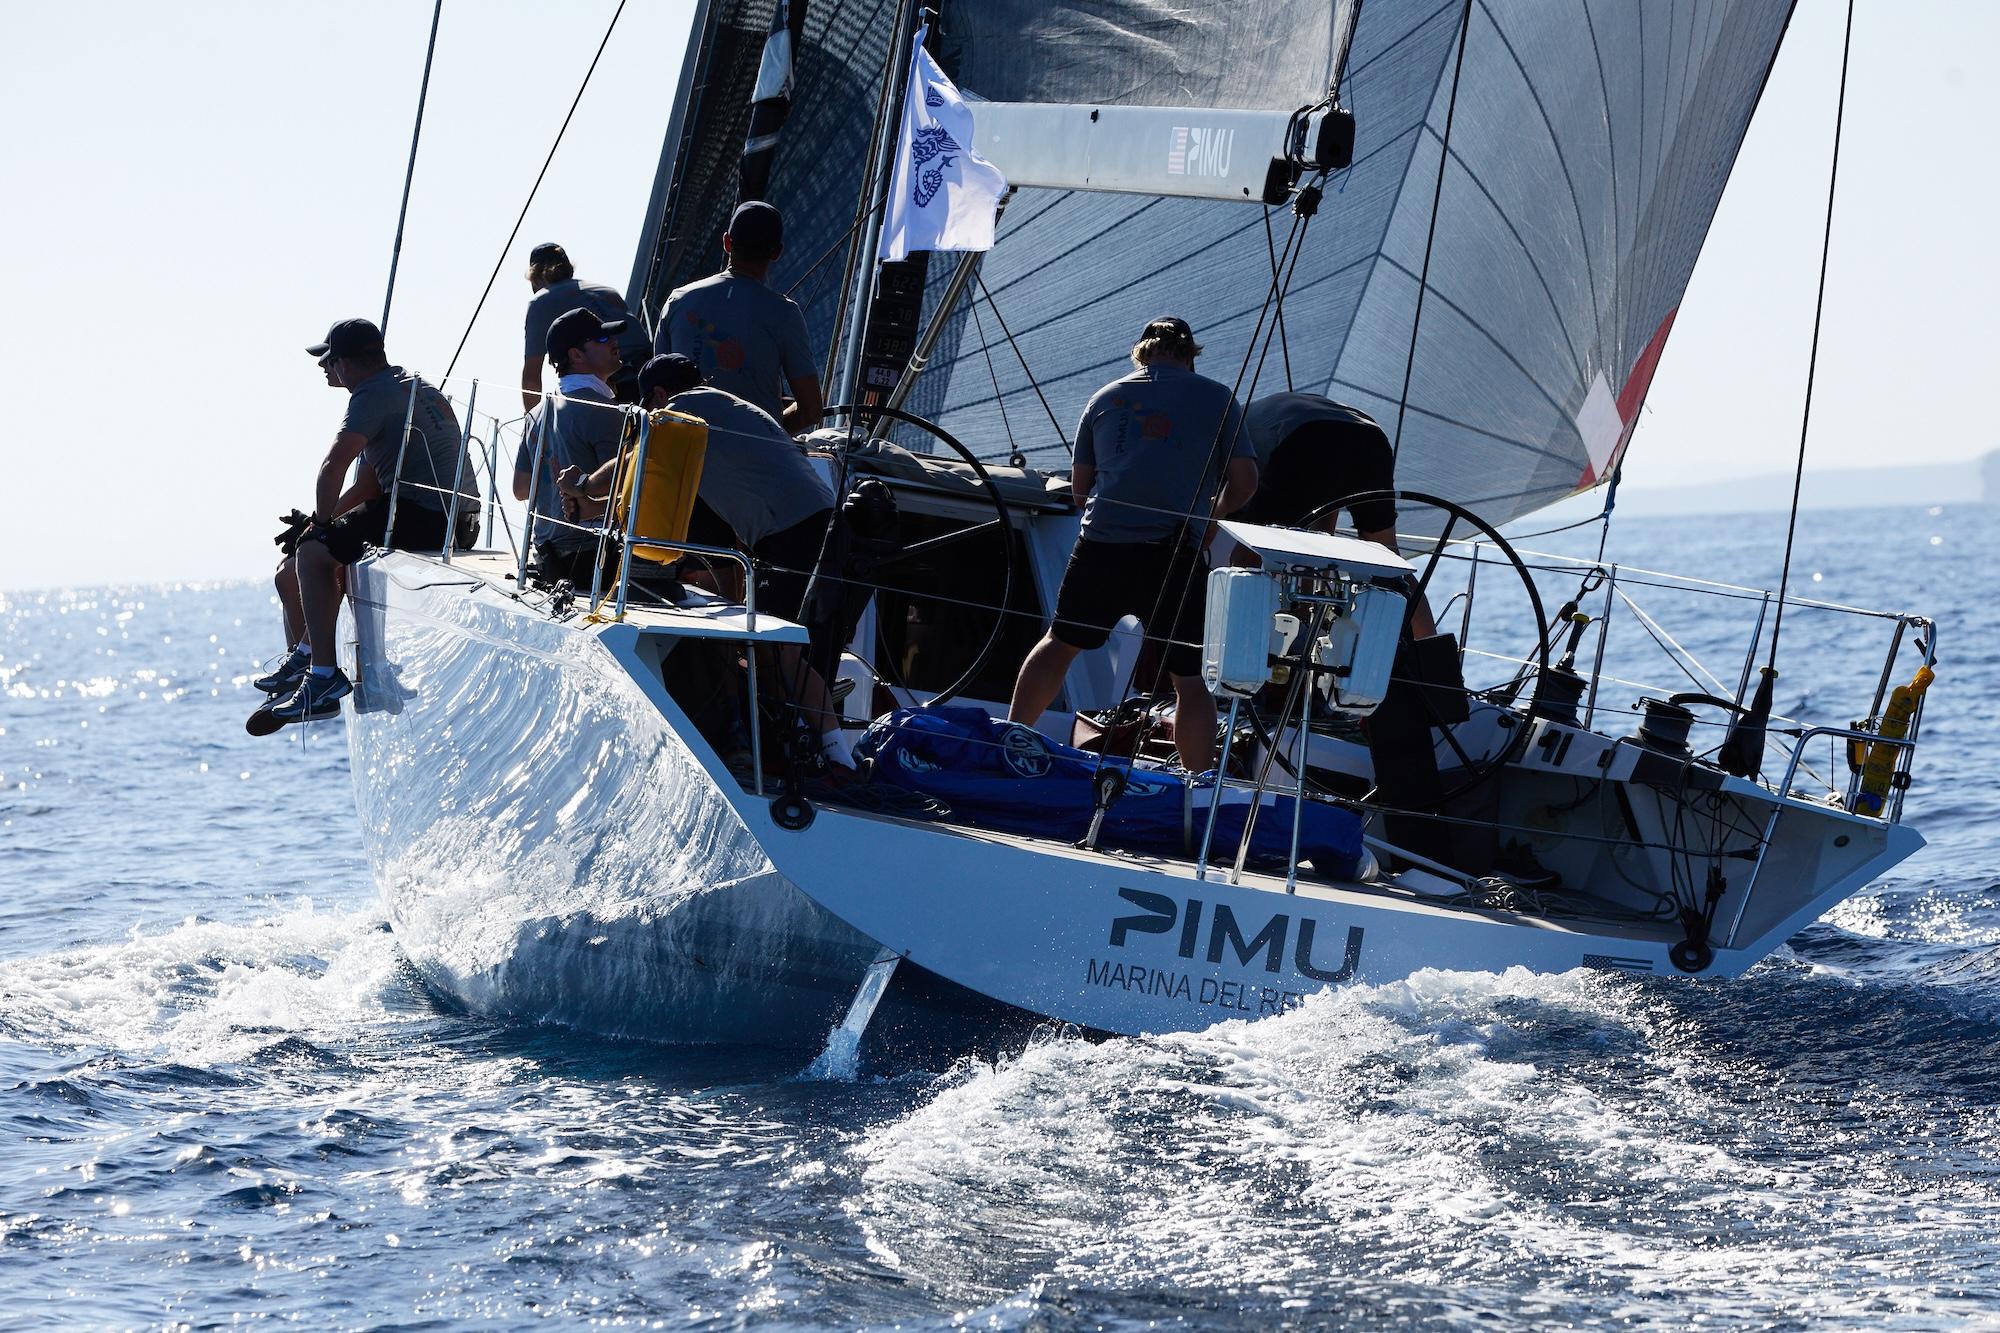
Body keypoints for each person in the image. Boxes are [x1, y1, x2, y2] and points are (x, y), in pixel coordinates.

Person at [560, 353, 854, 769]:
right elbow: (651, 487)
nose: (650, 417)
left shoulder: (684, 410)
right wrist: (594, 506)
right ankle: (808, 750)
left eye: (649, 409)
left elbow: (634, 459)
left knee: (775, 652)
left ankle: (839, 760)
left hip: (794, 536)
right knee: (773, 652)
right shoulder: (723, 411)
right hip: (819, 528)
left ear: (658, 396)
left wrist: (583, 484)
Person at [1007, 317, 1258, 774]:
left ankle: (1009, 742)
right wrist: (1210, 516)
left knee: (1060, 644)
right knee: (1190, 680)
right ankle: (1197, 785)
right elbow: (1245, 483)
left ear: (1140, 353)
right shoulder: (1218, 398)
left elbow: (1080, 493)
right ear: (1190, 355)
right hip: (1174, 552)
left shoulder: (1105, 397)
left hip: (1102, 549)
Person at [259, 319, 478, 723]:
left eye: (327, 359)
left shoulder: (371, 394)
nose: (322, 367)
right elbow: (368, 486)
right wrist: (320, 523)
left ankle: (321, 677)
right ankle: (307, 659)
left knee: (312, 555)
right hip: (458, 520)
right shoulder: (412, 385)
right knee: (310, 557)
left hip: (426, 515)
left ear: (344, 363)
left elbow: (332, 466)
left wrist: (319, 527)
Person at [1235, 391, 1434, 637]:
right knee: (1390, 562)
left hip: (1303, 439)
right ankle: (1431, 648)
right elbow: (1321, 531)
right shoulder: (1261, 412)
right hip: (1369, 437)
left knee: (1245, 558)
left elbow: (1237, 492)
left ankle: (1243, 640)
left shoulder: (1224, 430)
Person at [655, 202, 822, 432]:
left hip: (681, 444)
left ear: (726, 242)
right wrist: (768, 434)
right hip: (751, 450)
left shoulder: (678, 300)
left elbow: (656, 391)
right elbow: (811, 410)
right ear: (776, 252)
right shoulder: (785, 313)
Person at [536, 307, 632, 589]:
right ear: (576, 355)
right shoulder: (603, 410)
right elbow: (627, 484)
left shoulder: (537, 413)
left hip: (548, 559)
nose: (613, 342)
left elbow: (520, 488)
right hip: (595, 561)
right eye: (602, 339)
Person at [520, 242, 649, 412]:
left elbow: (531, 377)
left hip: (616, 386)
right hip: (652, 378)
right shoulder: (607, 291)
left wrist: (532, 422)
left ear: (535, 277)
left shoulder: (541, 302)